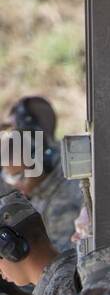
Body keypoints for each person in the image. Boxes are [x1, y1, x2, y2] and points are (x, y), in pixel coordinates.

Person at [0, 97, 83, 250]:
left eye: (18, 176)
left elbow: (60, 260)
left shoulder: (65, 195)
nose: (13, 183)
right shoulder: (36, 179)